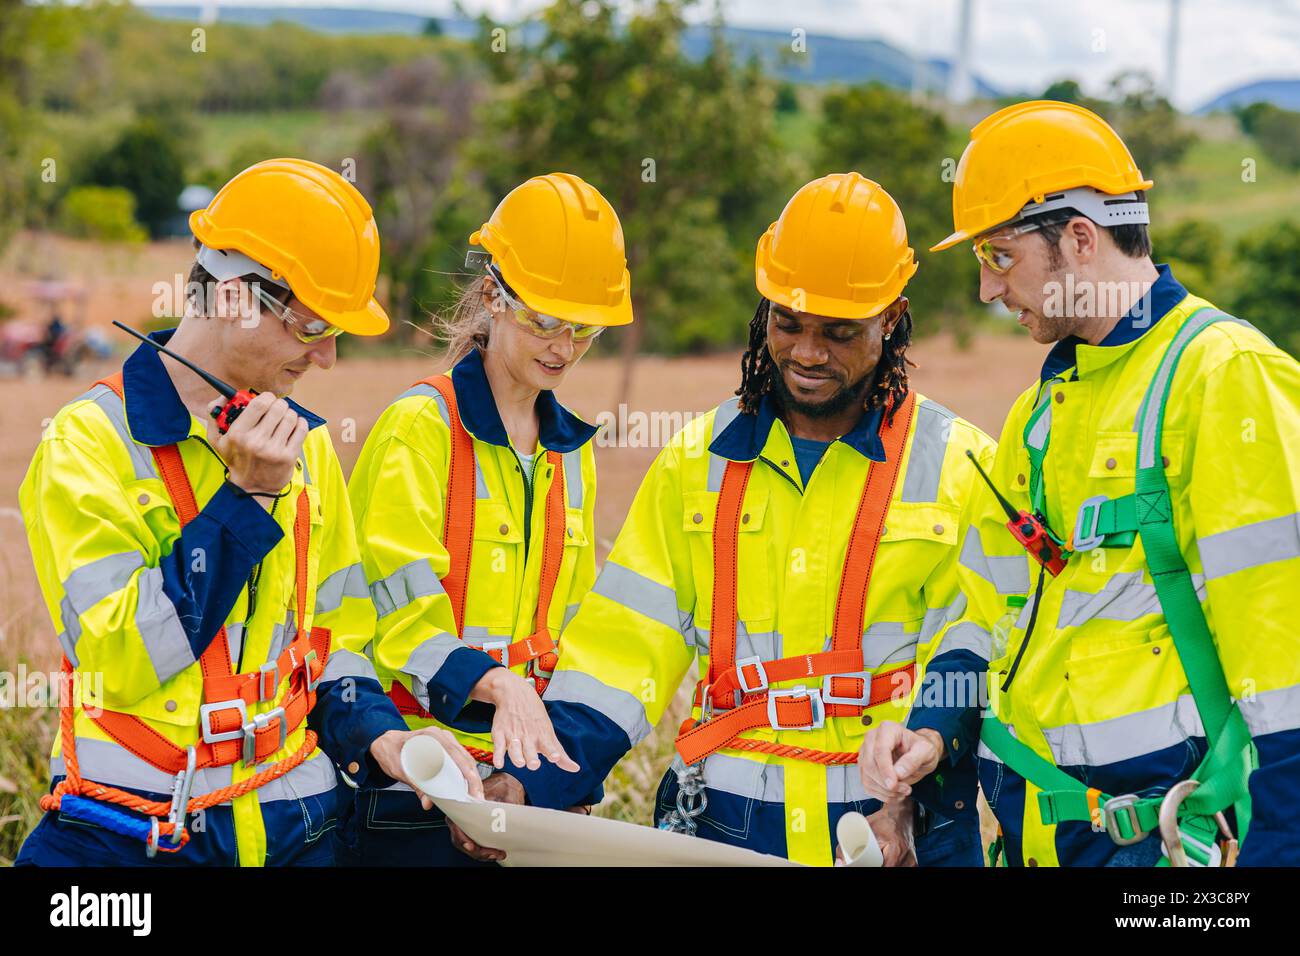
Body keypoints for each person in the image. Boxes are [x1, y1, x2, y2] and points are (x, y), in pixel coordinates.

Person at [478, 173, 998, 866]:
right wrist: (529, 782)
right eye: (787, 322)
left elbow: (980, 644)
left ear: (893, 317)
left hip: (899, 825)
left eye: (839, 332)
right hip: (725, 823)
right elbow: (623, 650)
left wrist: (921, 765)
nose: (808, 352)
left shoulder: (964, 465)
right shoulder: (695, 462)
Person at [859, 100, 1300, 867]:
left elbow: (1286, 649)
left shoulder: (1221, 375)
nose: (989, 292)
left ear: (1081, 238)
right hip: (1043, 839)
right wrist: (932, 726)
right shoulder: (1038, 415)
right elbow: (981, 615)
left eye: (999, 257)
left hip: (1171, 840)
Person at [16, 158, 481, 867]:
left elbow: (333, 640)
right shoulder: (88, 443)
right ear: (234, 298)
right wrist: (248, 500)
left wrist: (383, 735)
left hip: (300, 826)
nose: (326, 358)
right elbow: (125, 659)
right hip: (127, 835)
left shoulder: (308, 444)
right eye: (314, 326)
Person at [337, 172, 632, 865]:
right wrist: (498, 686)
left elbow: (568, 632)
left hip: (520, 789)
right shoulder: (420, 427)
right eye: (545, 319)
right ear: (495, 295)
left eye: (584, 328)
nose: (564, 345)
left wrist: (552, 776)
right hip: (414, 786)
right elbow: (392, 614)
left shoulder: (570, 452)